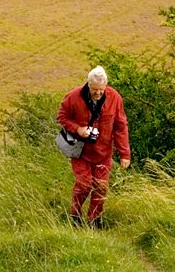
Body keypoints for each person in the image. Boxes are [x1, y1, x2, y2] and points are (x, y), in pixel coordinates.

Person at [57, 65, 131, 228]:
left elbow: (121, 126)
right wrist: (78, 129)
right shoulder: (73, 97)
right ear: (88, 85)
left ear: (106, 86)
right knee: (84, 185)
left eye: (101, 90)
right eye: (95, 89)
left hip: (103, 152)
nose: (98, 93)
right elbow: (62, 117)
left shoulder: (115, 98)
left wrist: (125, 153)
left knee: (101, 187)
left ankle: (94, 221)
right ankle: (75, 216)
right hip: (80, 151)